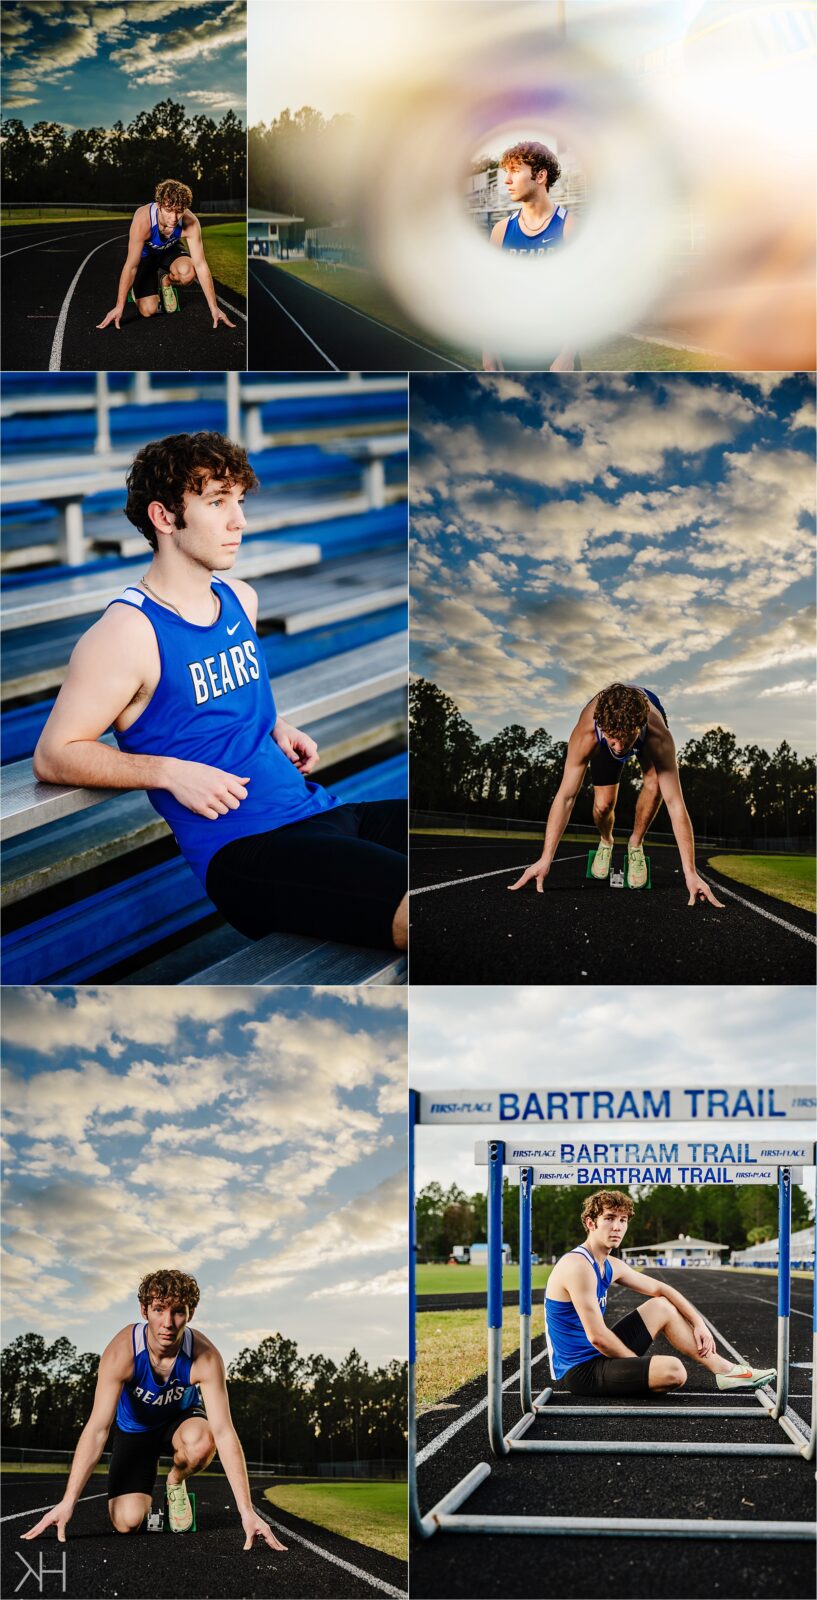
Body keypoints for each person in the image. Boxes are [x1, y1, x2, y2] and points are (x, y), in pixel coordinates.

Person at [33, 431, 407, 953]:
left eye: (240, 501)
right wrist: (166, 771)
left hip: (323, 810)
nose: (240, 521)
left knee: (465, 862)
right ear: (164, 518)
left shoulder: (239, 598)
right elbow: (54, 754)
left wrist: (273, 725)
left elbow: (211, 696)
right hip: (251, 852)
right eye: (216, 502)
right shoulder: (127, 633)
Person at [21, 1269, 286, 1547]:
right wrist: (67, 1502)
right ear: (144, 1310)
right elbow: (98, 1429)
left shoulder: (204, 1357)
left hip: (179, 1425)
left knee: (202, 1441)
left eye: (178, 1312)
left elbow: (224, 1432)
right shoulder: (122, 1352)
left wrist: (247, 1511)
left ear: (191, 1313)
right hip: (135, 1431)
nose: (168, 1323)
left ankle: (175, 1481)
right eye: (159, 1309)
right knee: (127, 1523)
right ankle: (141, 1502)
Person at [508, 681, 724, 906]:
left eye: (626, 738)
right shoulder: (588, 731)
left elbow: (675, 803)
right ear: (601, 726)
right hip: (611, 728)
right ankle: (606, 840)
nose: (619, 747)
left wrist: (690, 872)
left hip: (646, 724)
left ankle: (636, 844)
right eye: (612, 738)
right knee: (603, 805)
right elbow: (566, 797)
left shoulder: (657, 734)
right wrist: (546, 858)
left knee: (657, 784)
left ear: (639, 727)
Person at [545, 1190, 776, 1397]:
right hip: (582, 1371)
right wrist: (636, 1367)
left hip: (600, 1356)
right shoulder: (578, 1266)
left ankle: (726, 1371)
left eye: (622, 1220)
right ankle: (639, 1375)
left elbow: (662, 1289)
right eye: (609, 1218)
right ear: (590, 1223)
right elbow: (598, 1337)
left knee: (662, 1305)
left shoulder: (610, 1264)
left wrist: (699, 1323)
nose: (617, 1227)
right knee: (674, 1371)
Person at [484, 140, 577, 373]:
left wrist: (568, 354)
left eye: (515, 171)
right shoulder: (501, 230)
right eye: (506, 173)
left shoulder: (569, 227)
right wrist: (488, 349)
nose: (507, 180)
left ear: (541, 176)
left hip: (555, 353)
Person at [96, 179, 235, 331]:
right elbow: (131, 266)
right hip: (146, 257)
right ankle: (137, 291)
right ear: (159, 205)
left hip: (170, 250)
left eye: (179, 211)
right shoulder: (143, 220)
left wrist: (214, 307)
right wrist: (119, 306)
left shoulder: (191, 222)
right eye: (169, 211)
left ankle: (165, 280)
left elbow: (201, 264)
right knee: (148, 311)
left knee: (188, 273)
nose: (174, 218)